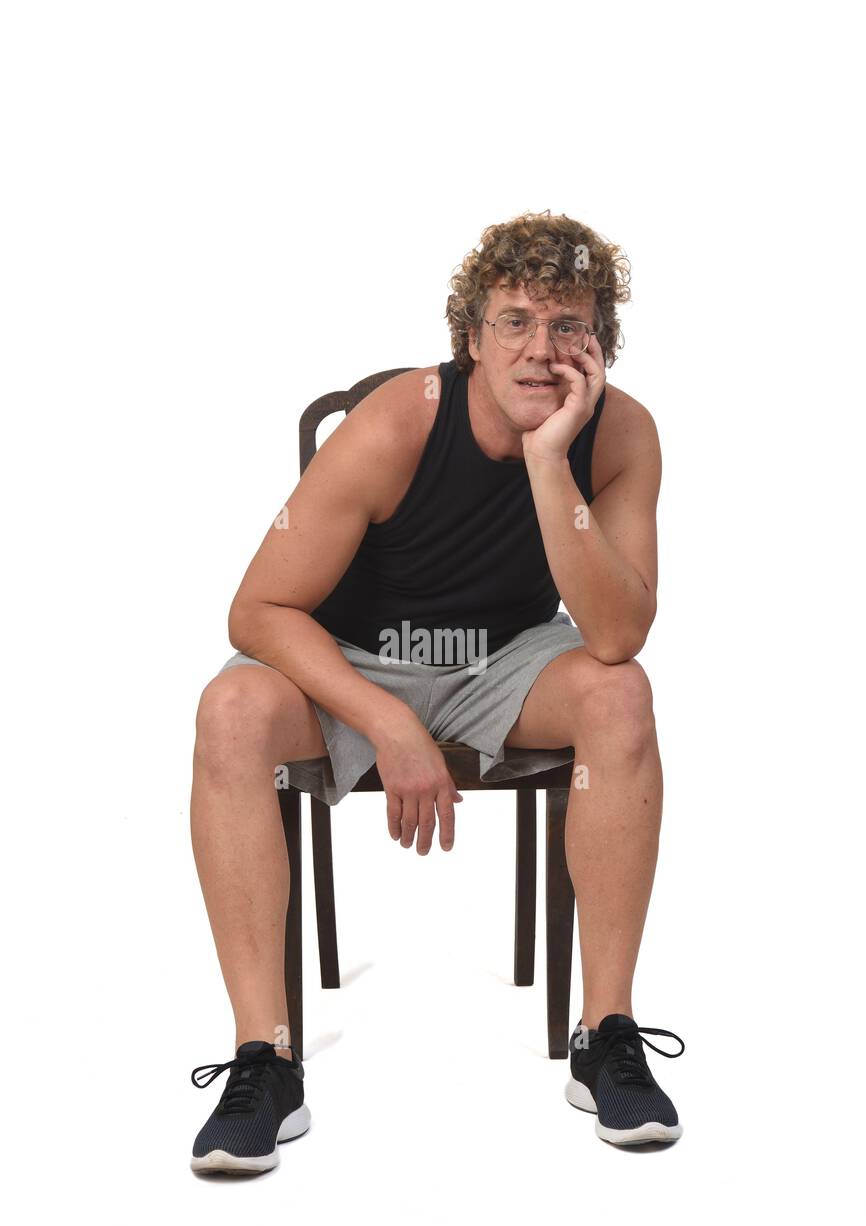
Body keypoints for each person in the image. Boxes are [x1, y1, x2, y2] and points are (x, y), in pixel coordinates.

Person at [188, 210, 685, 1175]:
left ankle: (606, 1036)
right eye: (515, 322)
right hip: (357, 656)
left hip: (510, 662)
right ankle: (265, 1058)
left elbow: (618, 634)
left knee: (622, 697)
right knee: (231, 710)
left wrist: (551, 462)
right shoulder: (400, 420)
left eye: (569, 324)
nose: (541, 351)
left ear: (602, 344)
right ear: (470, 337)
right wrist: (388, 718)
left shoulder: (619, 435)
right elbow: (257, 609)